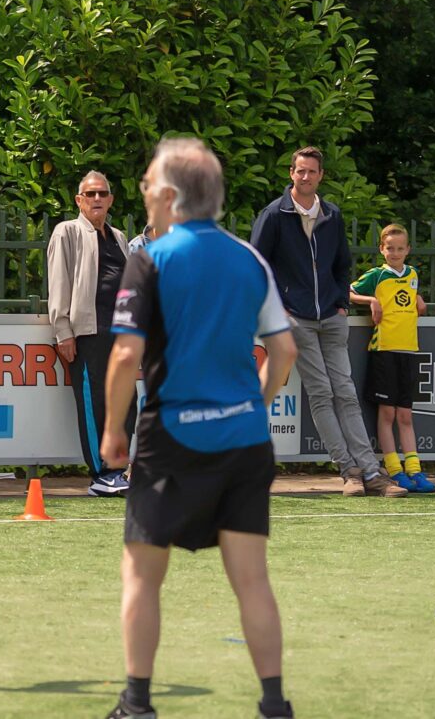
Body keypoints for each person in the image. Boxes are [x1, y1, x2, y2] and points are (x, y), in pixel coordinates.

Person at [103, 137, 297, 719]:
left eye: (144, 184)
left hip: (172, 437)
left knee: (140, 571)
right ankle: (273, 704)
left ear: (169, 195)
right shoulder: (248, 257)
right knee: (251, 581)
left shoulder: (150, 258)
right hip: (244, 439)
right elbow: (283, 351)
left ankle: (137, 703)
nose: (141, 191)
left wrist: (114, 430)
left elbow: (123, 357)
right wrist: (257, 406)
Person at [249, 146, 402, 498]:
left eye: (312, 172)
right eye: (300, 171)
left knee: (345, 393)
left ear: (320, 175)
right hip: (295, 320)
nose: (305, 177)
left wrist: (340, 304)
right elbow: (257, 266)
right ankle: (348, 472)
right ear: (291, 173)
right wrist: (279, 310)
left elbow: (341, 264)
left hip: (332, 317)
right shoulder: (273, 214)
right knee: (321, 394)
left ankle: (371, 472)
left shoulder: (332, 214)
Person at [45, 171, 132, 495]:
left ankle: (119, 470)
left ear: (110, 200)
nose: (97, 199)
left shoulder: (119, 236)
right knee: (95, 403)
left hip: (121, 333)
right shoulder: (66, 232)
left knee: (127, 403)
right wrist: (63, 331)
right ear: (79, 200)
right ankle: (102, 474)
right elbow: (58, 283)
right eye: (90, 194)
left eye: (102, 194)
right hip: (87, 332)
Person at [349, 224, 435, 494]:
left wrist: (419, 298)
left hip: (408, 351)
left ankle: (415, 470)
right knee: (387, 413)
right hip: (384, 350)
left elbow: (411, 299)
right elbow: (346, 292)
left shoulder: (413, 274)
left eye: (400, 248)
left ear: (408, 250)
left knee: (406, 415)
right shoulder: (377, 275)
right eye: (390, 248)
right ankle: (394, 470)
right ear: (382, 250)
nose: (395, 253)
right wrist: (370, 301)